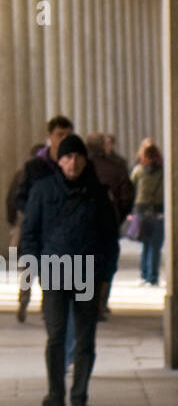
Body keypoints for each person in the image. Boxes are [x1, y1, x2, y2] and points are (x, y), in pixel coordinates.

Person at [20, 135, 119, 406]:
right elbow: (30, 233)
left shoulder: (98, 194)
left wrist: (105, 276)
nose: (72, 161)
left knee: (85, 339)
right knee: (56, 337)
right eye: (66, 157)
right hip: (54, 273)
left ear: (85, 160)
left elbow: (110, 238)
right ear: (58, 161)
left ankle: (79, 399)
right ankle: (55, 395)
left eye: (77, 156)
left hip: (88, 274)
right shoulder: (43, 190)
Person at [13, 116, 74, 321]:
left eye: (68, 135)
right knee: (29, 266)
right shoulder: (34, 166)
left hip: (60, 231)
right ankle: (24, 298)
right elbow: (20, 194)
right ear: (50, 136)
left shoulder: (73, 165)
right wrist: (30, 213)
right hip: (35, 227)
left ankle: (49, 306)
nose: (63, 139)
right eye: (59, 135)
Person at [85, 132, 134, 318]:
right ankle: (100, 304)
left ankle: (86, 301)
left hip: (86, 226)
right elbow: (127, 198)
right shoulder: (117, 168)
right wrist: (117, 217)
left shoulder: (77, 167)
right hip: (108, 225)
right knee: (107, 263)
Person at [130, 140, 165, 287]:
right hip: (158, 209)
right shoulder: (163, 171)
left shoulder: (138, 170)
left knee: (144, 243)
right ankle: (153, 276)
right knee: (155, 245)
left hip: (141, 209)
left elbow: (131, 188)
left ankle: (144, 274)